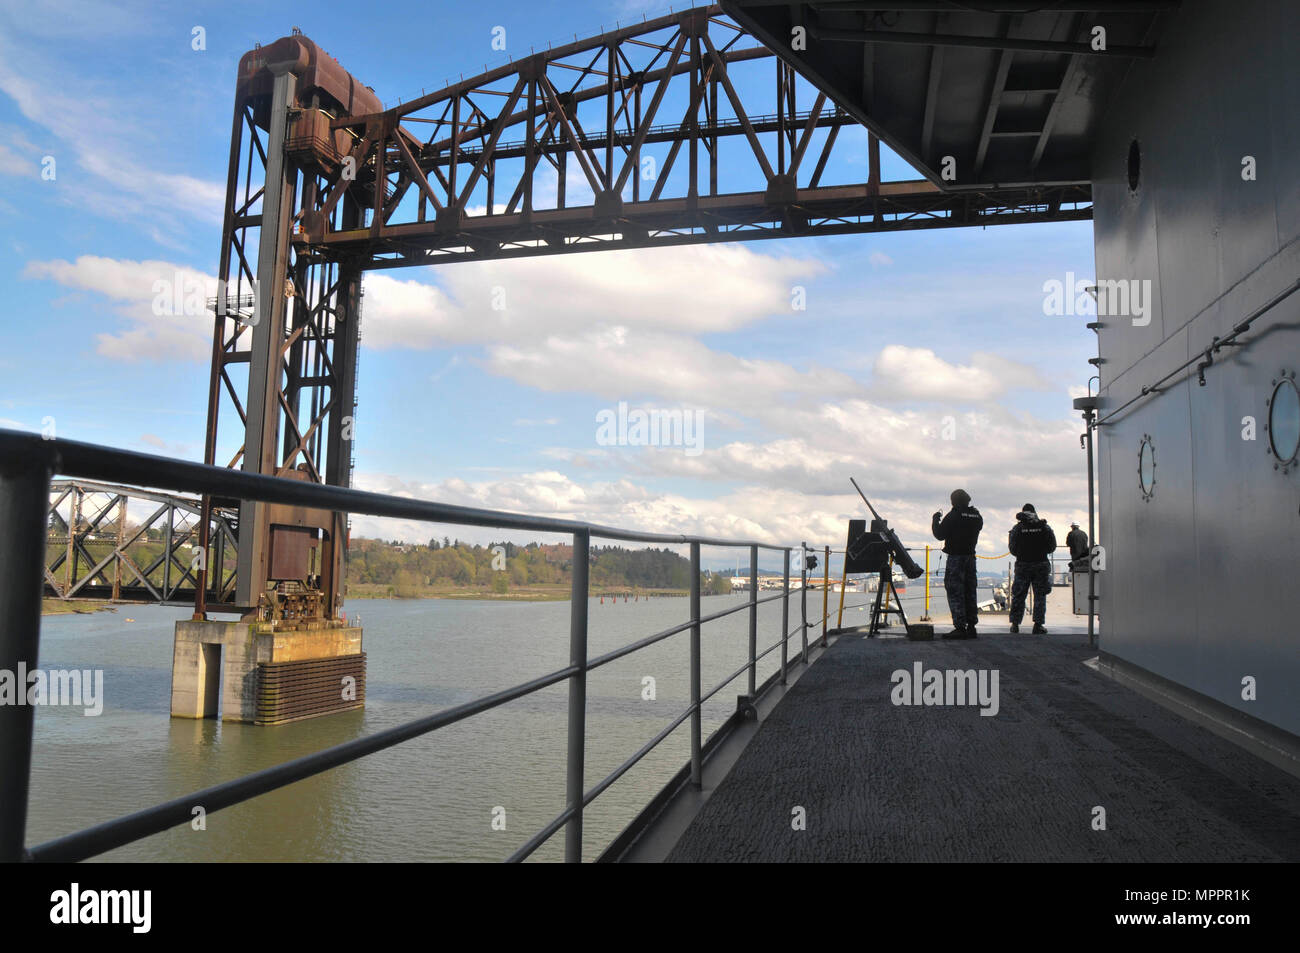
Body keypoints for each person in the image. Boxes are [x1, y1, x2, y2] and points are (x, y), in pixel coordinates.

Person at [932, 488, 983, 639]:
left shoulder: (954, 515)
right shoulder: (976, 515)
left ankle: (960, 627)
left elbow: (940, 535)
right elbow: (979, 526)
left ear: (954, 501)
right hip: (970, 557)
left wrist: (935, 520)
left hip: (956, 558)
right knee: (970, 591)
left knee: (955, 591)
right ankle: (972, 626)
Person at [1008, 504, 1057, 634]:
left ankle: (1015, 624)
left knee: (1018, 595)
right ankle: (1038, 625)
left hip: (1023, 565)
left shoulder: (1018, 528)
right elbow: (1052, 547)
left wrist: (1023, 553)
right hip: (1040, 564)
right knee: (1040, 595)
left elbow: (1012, 548)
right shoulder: (1044, 527)